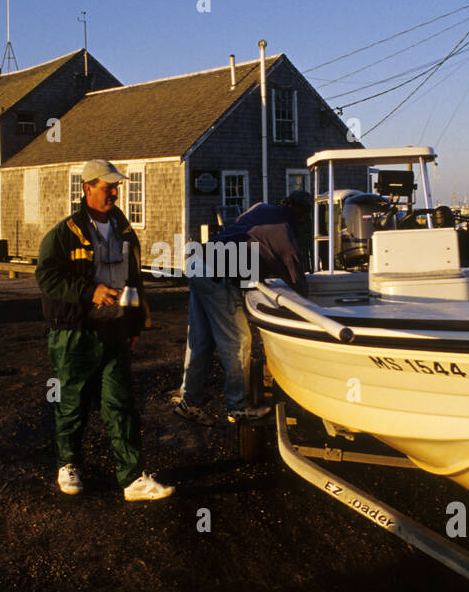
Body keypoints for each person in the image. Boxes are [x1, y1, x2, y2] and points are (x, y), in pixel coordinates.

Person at [35, 160, 174, 501]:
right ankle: (68, 465)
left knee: (121, 404)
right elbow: (46, 277)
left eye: (116, 186)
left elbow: (134, 280)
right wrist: (88, 291)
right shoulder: (63, 234)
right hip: (74, 331)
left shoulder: (125, 231)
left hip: (114, 330)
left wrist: (135, 323)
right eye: (106, 186)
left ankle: (132, 480)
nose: (114, 192)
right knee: (72, 403)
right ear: (87, 188)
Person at [173, 190, 312, 426]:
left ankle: (189, 400)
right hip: (219, 275)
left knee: (201, 341)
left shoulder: (260, 208)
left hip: (199, 262)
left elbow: (241, 236)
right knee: (238, 341)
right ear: (303, 213)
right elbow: (297, 283)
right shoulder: (285, 233)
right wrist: (310, 310)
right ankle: (238, 407)